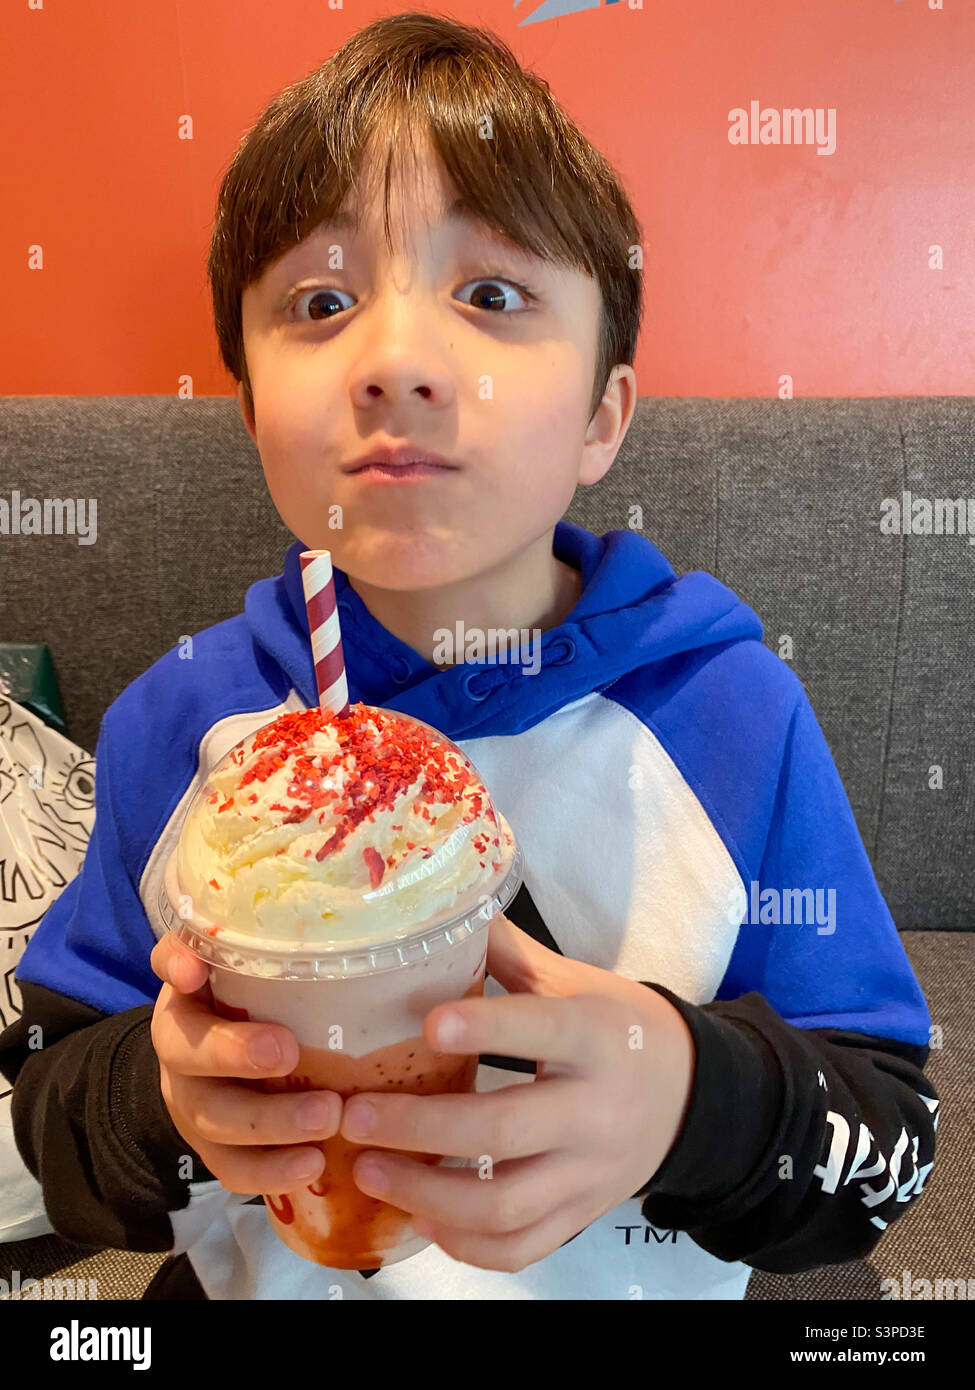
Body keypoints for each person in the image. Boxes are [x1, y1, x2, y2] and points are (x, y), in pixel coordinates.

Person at [0, 13, 938, 1300]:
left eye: (492, 295)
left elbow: (886, 1151)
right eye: (322, 301)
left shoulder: (730, 712)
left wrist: (687, 1098)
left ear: (605, 412)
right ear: (251, 410)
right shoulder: (185, 723)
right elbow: (46, 1109)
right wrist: (161, 1097)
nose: (396, 362)